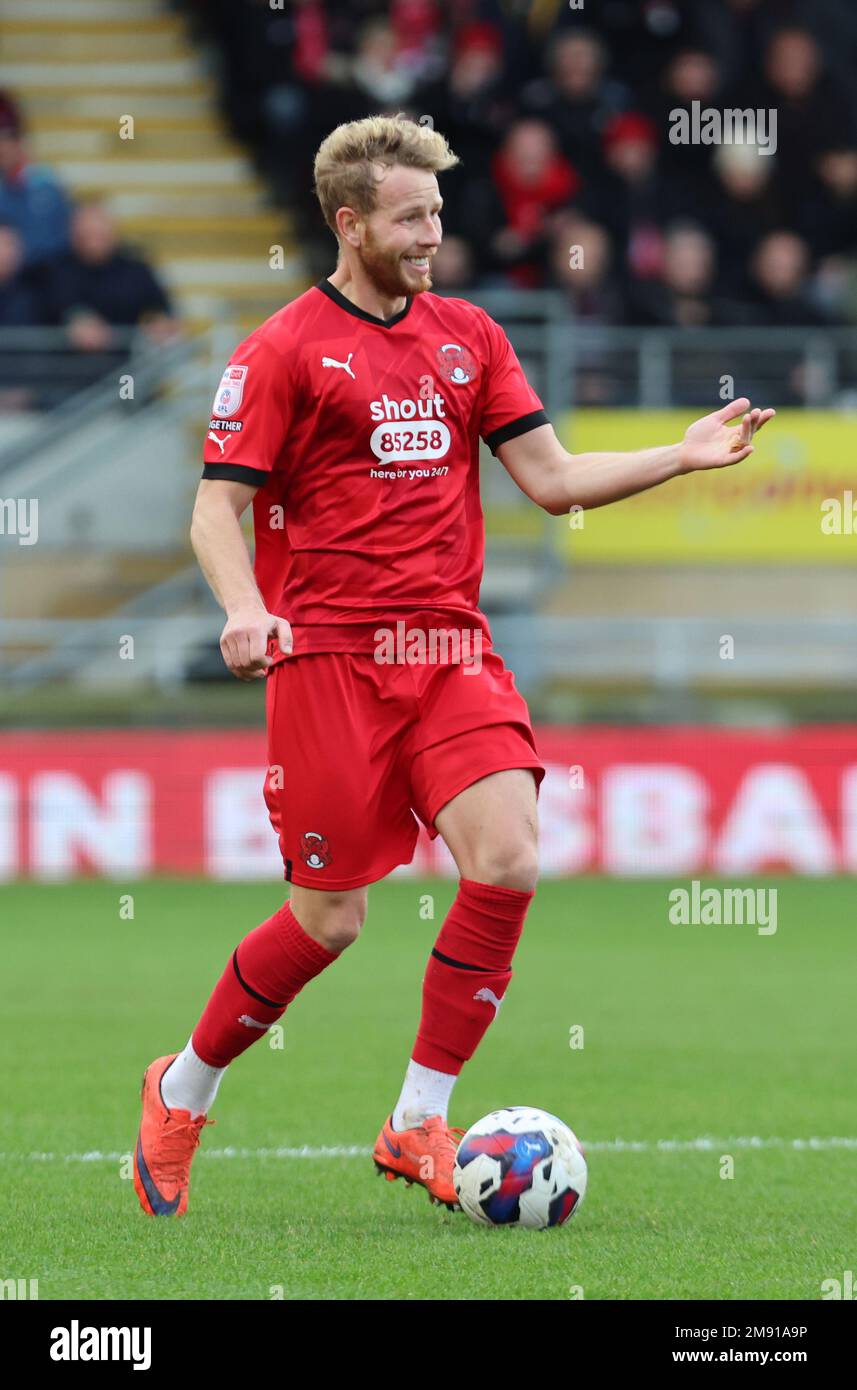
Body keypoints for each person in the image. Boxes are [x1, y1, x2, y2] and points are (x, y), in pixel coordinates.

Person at [132, 114, 774, 1218]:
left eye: (437, 212)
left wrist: (680, 452)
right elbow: (214, 509)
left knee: (509, 857)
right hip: (327, 661)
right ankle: (183, 1085)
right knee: (331, 919)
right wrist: (244, 609)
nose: (434, 233)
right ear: (349, 223)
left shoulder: (468, 335)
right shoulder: (280, 350)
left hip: (446, 651)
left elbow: (554, 479)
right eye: (411, 216)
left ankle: (416, 1117)